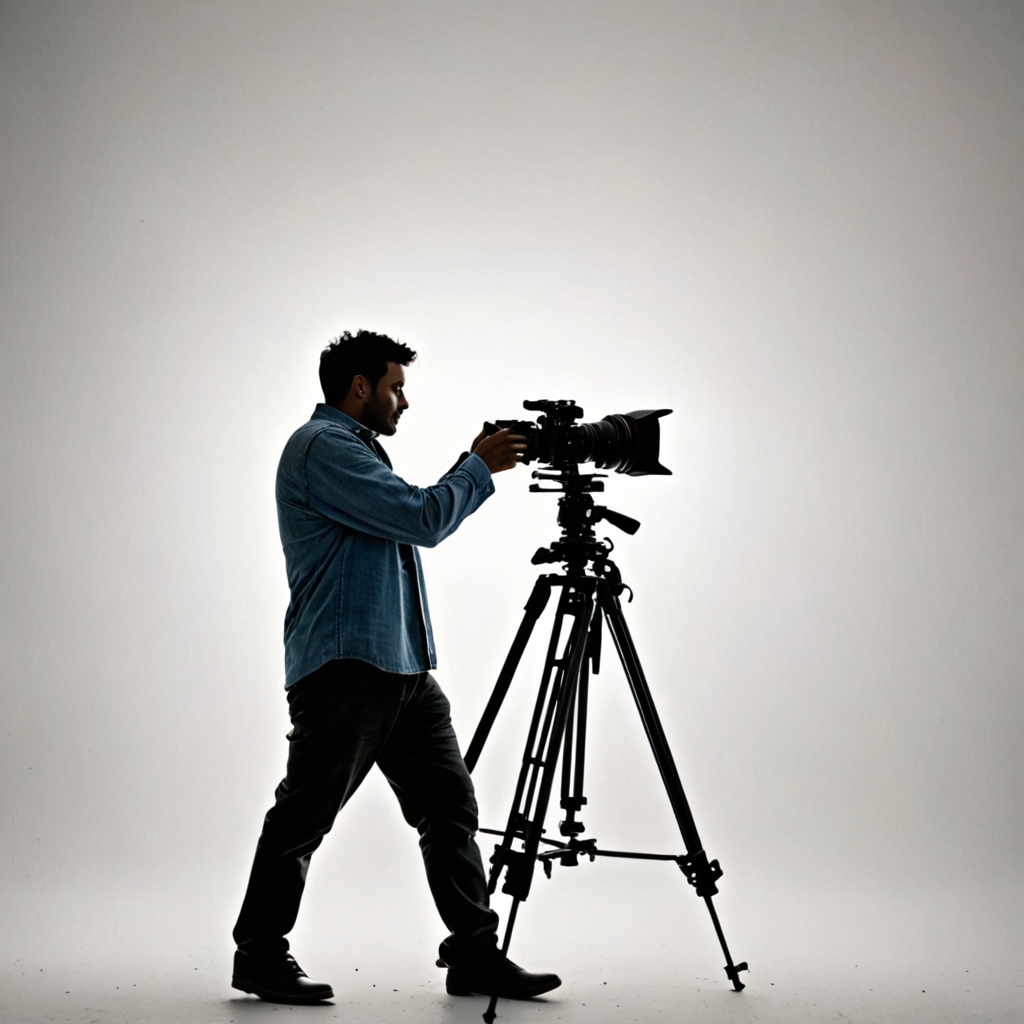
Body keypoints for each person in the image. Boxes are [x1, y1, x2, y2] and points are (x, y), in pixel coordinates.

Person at [231, 329, 561, 1005]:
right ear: (360, 387)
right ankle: (259, 956)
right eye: (395, 387)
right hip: (347, 670)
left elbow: (411, 518)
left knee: (449, 807)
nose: (403, 401)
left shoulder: (358, 454)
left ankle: (473, 956)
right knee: (305, 815)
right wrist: (477, 465)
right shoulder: (322, 449)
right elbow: (422, 518)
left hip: (403, 672)